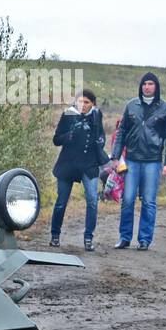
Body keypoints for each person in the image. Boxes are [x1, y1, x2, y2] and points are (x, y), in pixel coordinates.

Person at [110, 71, 166, 250]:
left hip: (153, 161)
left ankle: (145, 240)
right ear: (141, 87)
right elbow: (121, 132)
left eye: (150, 84)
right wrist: (115, 157)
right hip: (131, 160)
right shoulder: (131, 105)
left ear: (156, 87)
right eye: (144, 84)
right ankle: (124, 238)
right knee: (128, 199)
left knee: (148, 201)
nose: (147, 87)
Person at [49, 89, 106, 250]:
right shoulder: (68, 114)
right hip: (68, 163)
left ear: (92, 104)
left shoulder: (96, 115)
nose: (83, 105)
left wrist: (100, 141)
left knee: (93, 201)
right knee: (61, 202)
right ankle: (55, 235)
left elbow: (101, 135)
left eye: (86, 102)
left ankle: (88, 238)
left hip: (89, 164)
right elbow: (56, 140)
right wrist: (70, 135)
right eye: (80, 102)